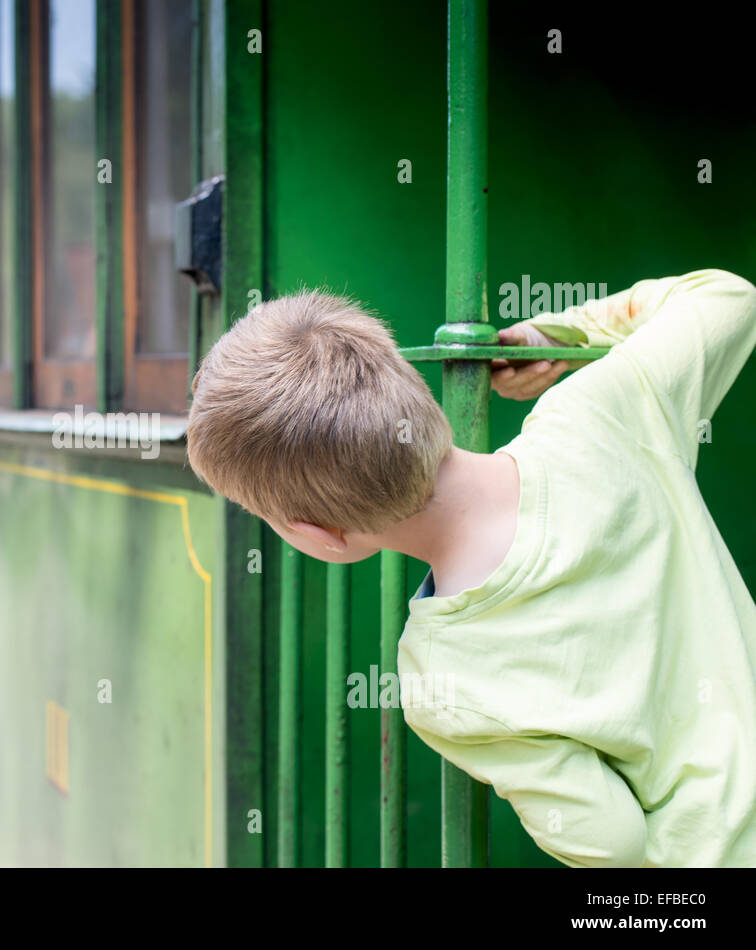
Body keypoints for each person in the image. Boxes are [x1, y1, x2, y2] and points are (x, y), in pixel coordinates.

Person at [185, 268, 756, 867]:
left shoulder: (441, 677)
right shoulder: (600, 416)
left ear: (320, 536)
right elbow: (725, 297)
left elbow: (612, 842)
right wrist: (562, 333)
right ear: (417, 397)